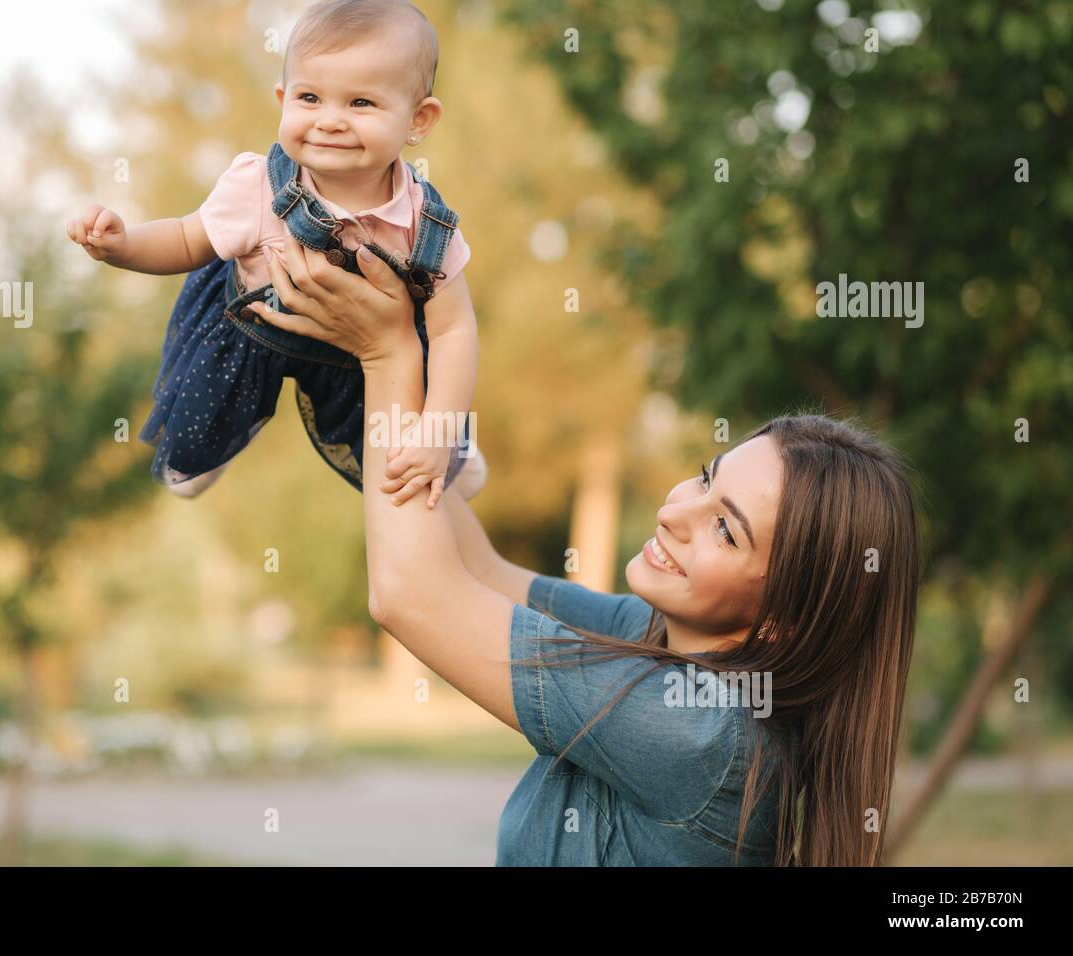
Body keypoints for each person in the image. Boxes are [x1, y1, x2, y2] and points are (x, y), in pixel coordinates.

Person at [245, 232, 923, 867]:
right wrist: (367, 372)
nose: (678, 510)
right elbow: (476, 570)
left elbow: (412, 595)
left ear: (784, 619)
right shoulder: (650, 634)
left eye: (725, 528)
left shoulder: (704, 735)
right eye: (707, 477)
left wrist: (389, 354)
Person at [64, 0, 486, 505]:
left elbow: (453, 329)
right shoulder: (258, 185)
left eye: (361, 104)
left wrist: (437, 429)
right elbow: (184, 239)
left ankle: (456, 453)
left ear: (418, 119)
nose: (330, 121)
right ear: (283, 99)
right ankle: (207, 452)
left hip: (353, 361)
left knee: (401, 449)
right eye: (310, 97)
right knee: (205, 410)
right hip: (250, 327)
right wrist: (123, 245)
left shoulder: (424, 222)